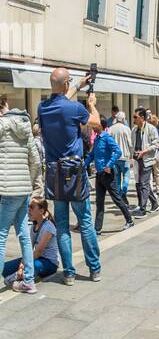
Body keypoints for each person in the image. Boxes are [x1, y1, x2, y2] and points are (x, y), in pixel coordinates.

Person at [37, 69, 101, 286]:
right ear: (66, 84)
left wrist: (77, 85)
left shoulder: (42, 107)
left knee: (62, 225)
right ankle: (94, 269)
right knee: (84, 221)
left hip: (54, 173)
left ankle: (69, 274)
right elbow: (96, 122)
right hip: (74, 171)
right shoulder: (76, 108)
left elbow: (61, 97)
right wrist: (91, 102)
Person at [0, 95, 43, 295]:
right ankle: (29, 282)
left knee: (1, 236)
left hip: (6, 189)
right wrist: (29, 181)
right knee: (24, 236)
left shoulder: (1, 125)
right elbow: (36, 161)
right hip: (23, 190)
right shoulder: (25, 127)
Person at [88, 121, 134, 234]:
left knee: (116, 199)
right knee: (99, 201)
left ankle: (129, 220)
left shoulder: (107, 138)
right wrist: (84, 166)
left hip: (108, 174)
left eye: (94, 125)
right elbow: (92, 155)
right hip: (99, 175)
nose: (93, 127)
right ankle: (97, 228)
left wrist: (109, 165)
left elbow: (118, 151)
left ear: (101, 126)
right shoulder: (97, 139)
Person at [3, 199, 60, 287]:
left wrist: (23, 266)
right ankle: (19, 276)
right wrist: (22, 264)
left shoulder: (49, 227)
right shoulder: (34, 226)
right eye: (29, 206)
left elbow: (38, 251)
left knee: (32, 267)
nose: (29, 209)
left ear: (41, 211)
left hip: (49, 263)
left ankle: (20, 279)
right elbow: (28, 249)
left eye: (32, 207)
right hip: (36, 258)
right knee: (5, 267)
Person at [131, 108, 159, 216]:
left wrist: (144, 151)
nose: (133, 118)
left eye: (135, 117)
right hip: (136, 159)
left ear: (142, 118)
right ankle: (154, 203)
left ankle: (142, 209)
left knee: (143, 184)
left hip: (147, 160)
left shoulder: (151, 129)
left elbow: (156, 144)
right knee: (141, 184)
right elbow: (132, 144)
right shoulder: (134, 130)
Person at [109, 110, 133, 197]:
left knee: (117, 177)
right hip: (125, 156)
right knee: (126, 175)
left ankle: (119, 194)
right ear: (123, 119)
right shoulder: (126, 129)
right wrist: (131, 156)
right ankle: (124, 191)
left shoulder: (111, 129)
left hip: (114, 157)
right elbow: (130, 144)